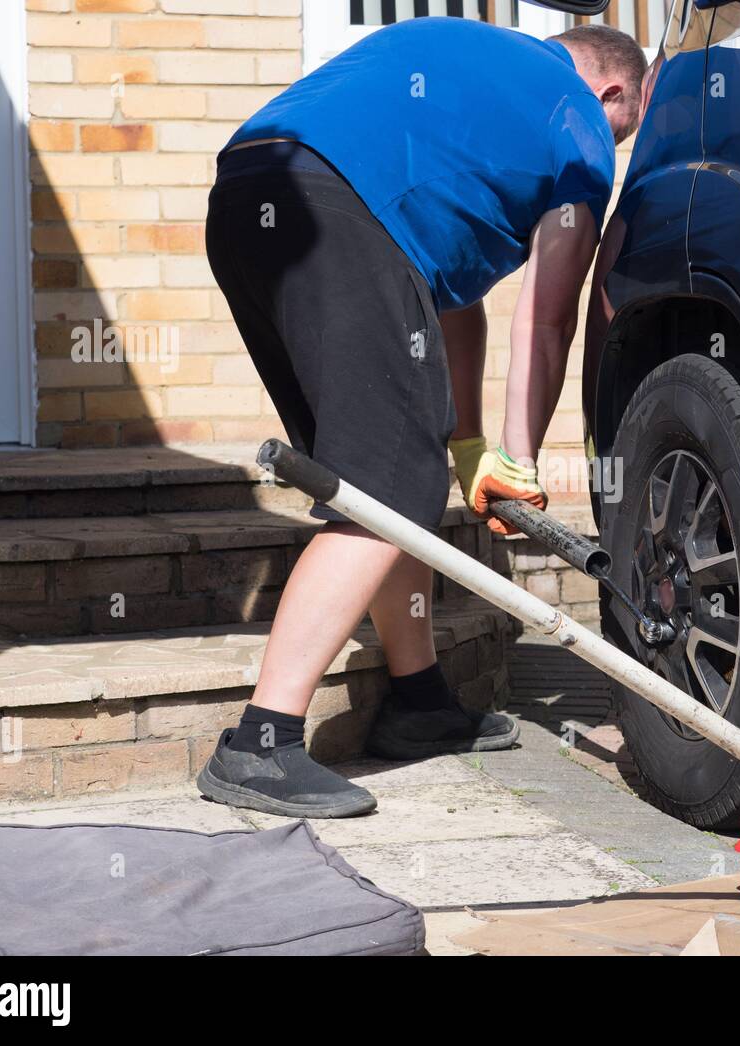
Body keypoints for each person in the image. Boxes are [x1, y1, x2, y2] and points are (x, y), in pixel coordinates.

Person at [197, 17, 646, 818]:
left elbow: (451, 307)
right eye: (628, 120)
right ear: (611, 88)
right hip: (342, 215)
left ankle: (419, 701)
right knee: (386, 485)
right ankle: (258, 745)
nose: (618, 142)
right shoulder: (579, 126)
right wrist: (521, 457)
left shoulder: (466, 57)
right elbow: (547, 317)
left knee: (376, 482)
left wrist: (470, 446)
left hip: (248, 193)